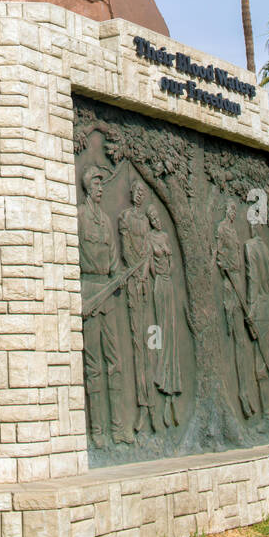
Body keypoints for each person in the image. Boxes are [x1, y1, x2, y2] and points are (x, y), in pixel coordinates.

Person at [77, 165, 131, 447]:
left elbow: (113, 260)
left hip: (108, 295)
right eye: (97, 184)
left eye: (102, 184)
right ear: (88, 186)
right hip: (88, 292)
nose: (101, 188)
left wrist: (117, 274)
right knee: (94, 364)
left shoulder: (106, 221)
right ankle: (97, 432)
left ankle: (118, 427)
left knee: (115, 363)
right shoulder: (79, 217)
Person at [118, 179, 158, 435]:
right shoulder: (125, 217)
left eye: (144, 192)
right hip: (133, 282)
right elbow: (127, 250)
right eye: (137, 192)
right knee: (137, 345)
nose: (140, 196)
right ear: (132, 193)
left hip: (146, 282)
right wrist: (137, 273)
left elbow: (149, 253)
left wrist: (144, 273)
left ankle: (154, 402)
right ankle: (143, 406)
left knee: (153, 342)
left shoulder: (146, 222)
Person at [215, 202, 256, 419]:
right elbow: (219, 256)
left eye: (234, 210)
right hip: (229, 283)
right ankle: (240, 393)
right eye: (230, 209)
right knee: (233, 335)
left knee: (242, 341)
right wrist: (225, 266)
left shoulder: (233, 230)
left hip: (238, 279)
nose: (233, 213)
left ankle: (245, 392)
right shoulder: (222, 229)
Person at [147, 204, 182, 428]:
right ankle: (161, 380)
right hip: (159, 285)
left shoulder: (165, 236)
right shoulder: (149, 238)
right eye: (152, 217)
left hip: (169, 285)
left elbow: (173, 264)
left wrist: (167, 271)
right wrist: (159, 276)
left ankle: (172, 393)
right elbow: (151, 265)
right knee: (159, 330)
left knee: (171, 333)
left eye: (156, 216)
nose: (156, 220)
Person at [244, 218, 269, 418]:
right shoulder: (266, 249)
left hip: (260, 309)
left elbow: (253, 278)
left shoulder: (251, 247)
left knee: (261, 363)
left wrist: (251, 308)